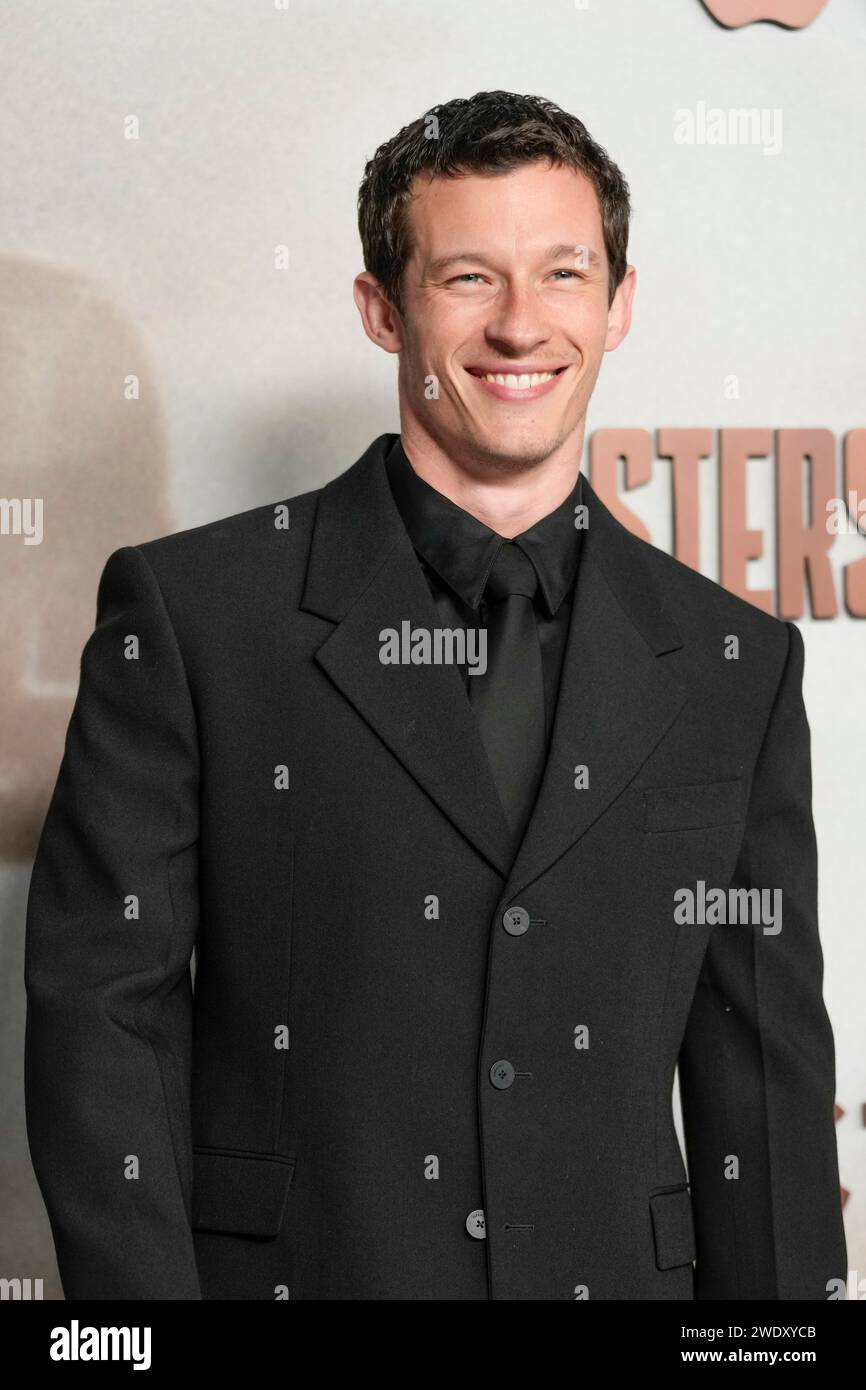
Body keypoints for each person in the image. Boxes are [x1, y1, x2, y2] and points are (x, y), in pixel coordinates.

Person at [24, 90, 846, 1300]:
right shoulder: (196, 617)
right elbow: (104, 1023)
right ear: (380, 308)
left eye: (562, 273)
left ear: (618, 304)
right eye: (468, 278)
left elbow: (760, 1081)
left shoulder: (734, 661)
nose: (522, 325)